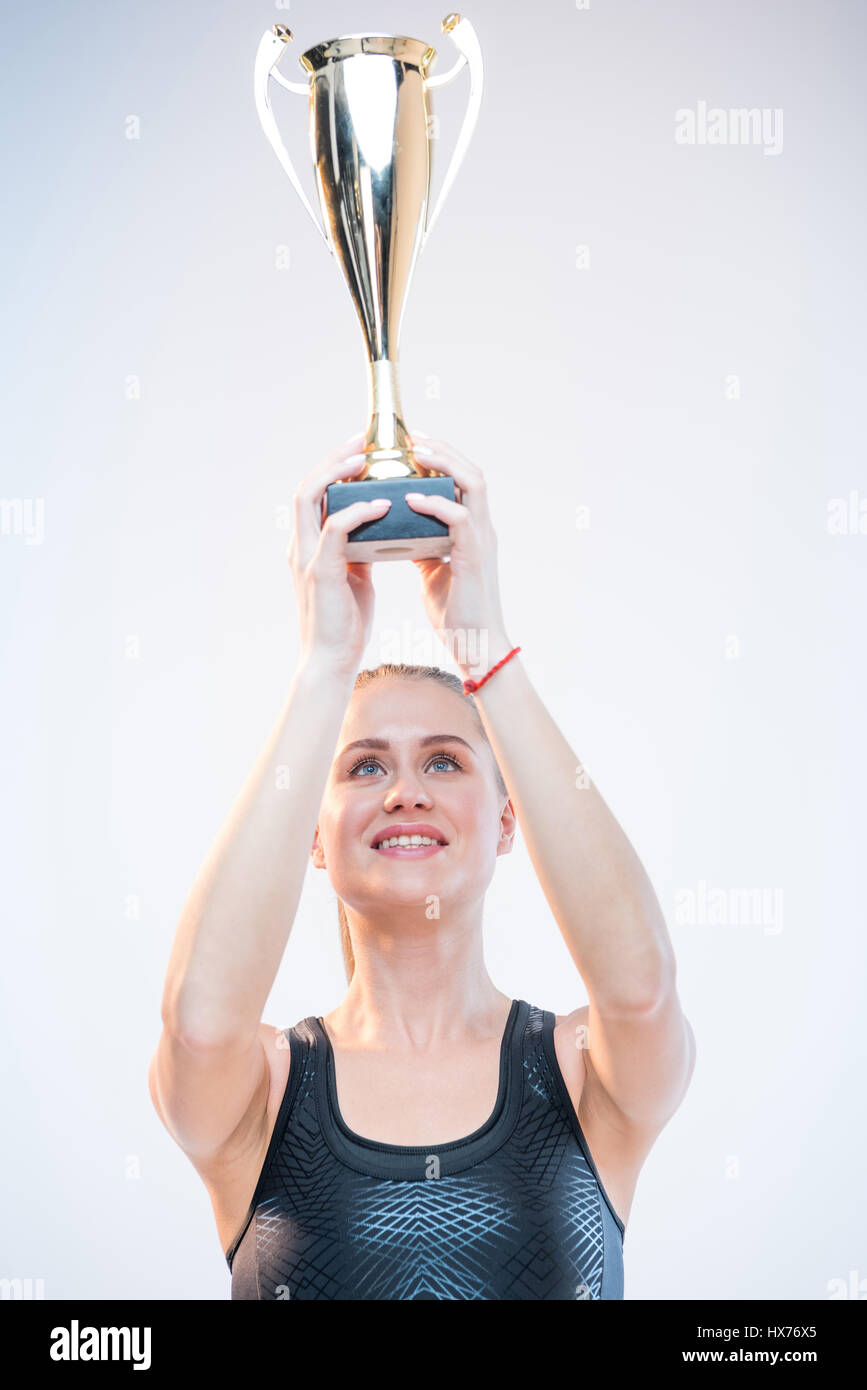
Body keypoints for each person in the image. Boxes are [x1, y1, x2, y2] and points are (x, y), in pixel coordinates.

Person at [148, 430, 696, 1300]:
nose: (405, 790)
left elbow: (641, 990)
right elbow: (198, 1027)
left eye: (444, 761)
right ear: (313, 836)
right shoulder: (262, 1090)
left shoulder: (582, 1070)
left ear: (510, 820)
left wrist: (486, 653)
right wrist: (324, 667)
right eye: (364, 765)